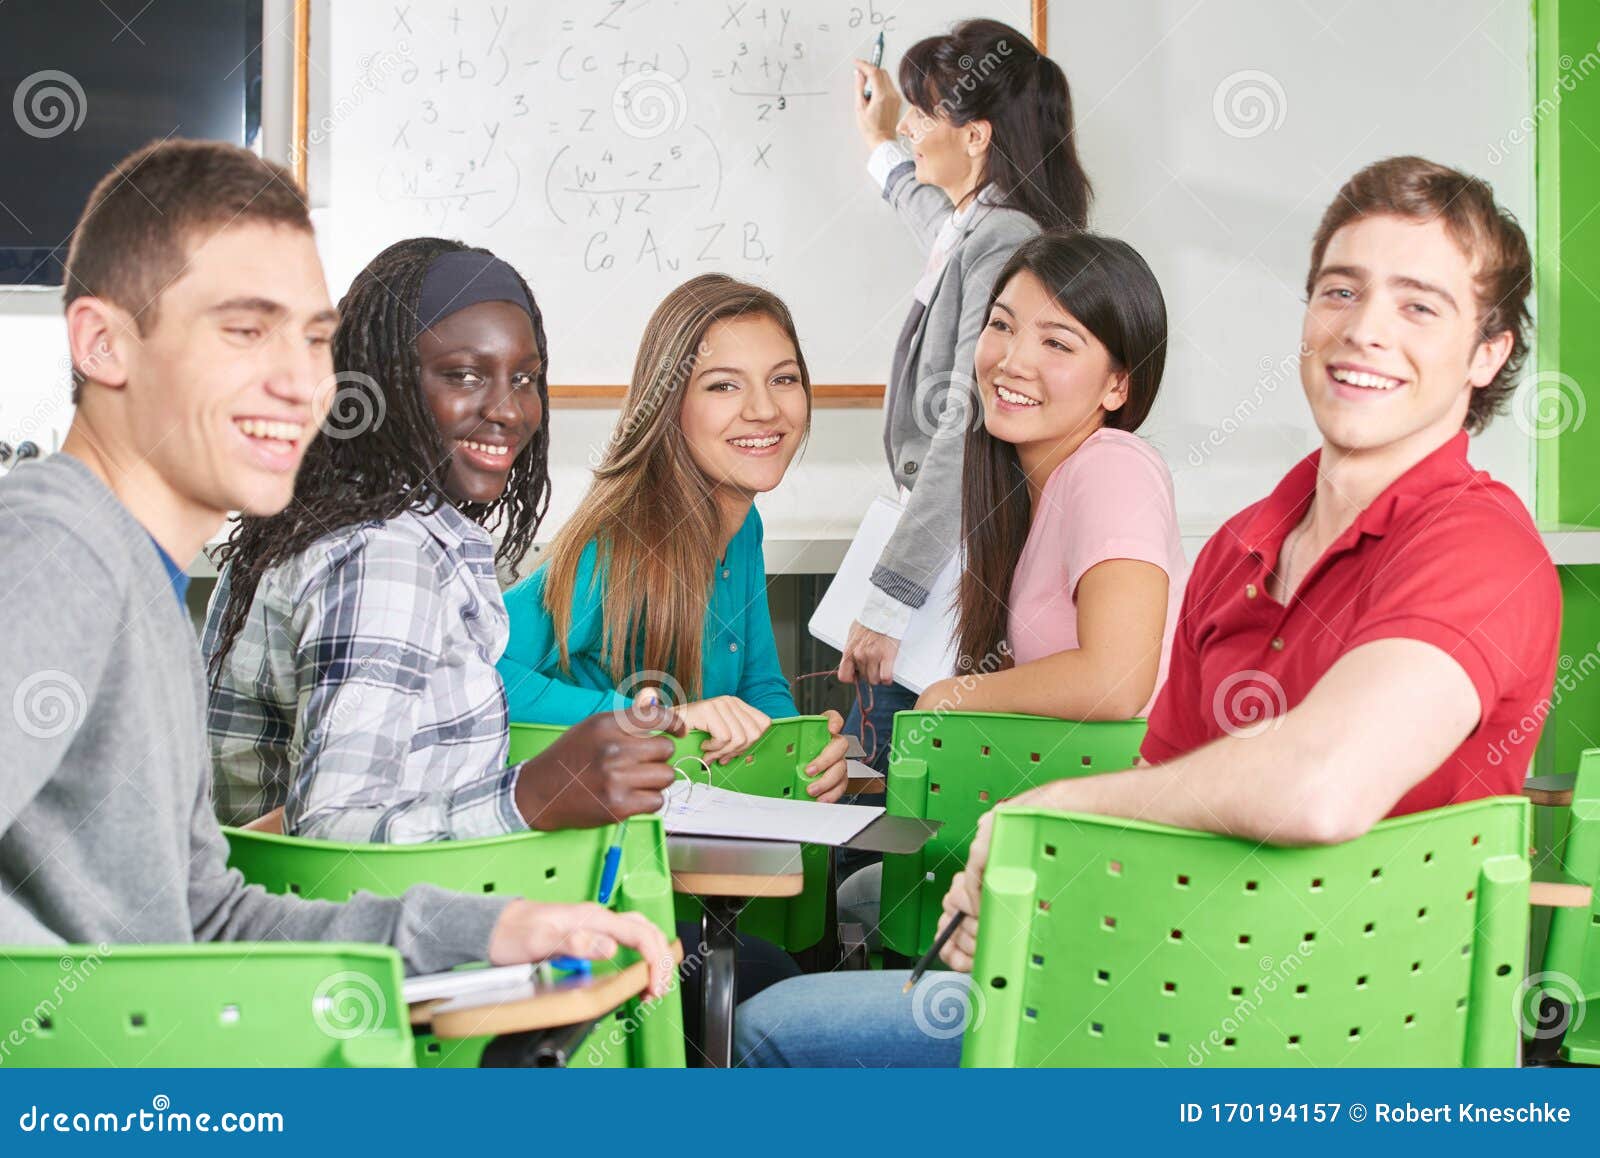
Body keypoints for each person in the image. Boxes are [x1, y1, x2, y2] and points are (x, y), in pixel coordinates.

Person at [735, 155, 1560, 1065]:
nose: (1364, 330)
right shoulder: (1245, 543)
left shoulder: (1480, 548)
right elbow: (1161, 801)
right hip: (1155, 980)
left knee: (771, 1025)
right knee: (796, 999)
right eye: (1339, 290)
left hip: (1344, 1042)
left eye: (1419, 305)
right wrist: (1031, 890)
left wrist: (1042, 815)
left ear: (1489, 354)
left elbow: (1323, 784)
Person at [0, 138, 671, 997]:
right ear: (103, 344)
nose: (299, 381)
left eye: (316, 339)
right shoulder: (59, 557)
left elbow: (211, 921)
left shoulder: (143, 586)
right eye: (245, 329)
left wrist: (493, 926)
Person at [202, 237, 677, 841]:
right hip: (338, 930)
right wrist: (529, 796)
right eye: (464, 374)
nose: (510, 409)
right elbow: (331, 833)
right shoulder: (381, 555)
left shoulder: (320, 512)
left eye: (525, 377)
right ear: (385, 382)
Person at [836, 230, 1188, 941]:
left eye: (1058, 343)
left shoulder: (1110, 466)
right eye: (1001, 325)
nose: (1013, 359)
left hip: (1118, 874)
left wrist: (947, 699)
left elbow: (1117, 678)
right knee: (857, 882)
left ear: (1119, 384)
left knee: (848, 905)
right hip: (1066, 842)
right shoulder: (1033, 494)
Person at [841, 18, 1094, 769]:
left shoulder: (1003, 236)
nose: (915, 130)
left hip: (957, 559)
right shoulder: (981, 226)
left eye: (925, 114)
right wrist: (881, 140)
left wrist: (890, 600)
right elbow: (927, 214)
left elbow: (966, 425)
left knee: (901, 773)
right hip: (952, 551)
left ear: (976, 137)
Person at [499, 273, 849, 802]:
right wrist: (650, 719)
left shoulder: (743, 524)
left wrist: (801, 751)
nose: (764, 409)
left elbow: (758, 685)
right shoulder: (622, 542)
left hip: (693, 818)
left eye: (783, 379)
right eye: (724, 385)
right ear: (670, 406)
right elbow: (476, 673)